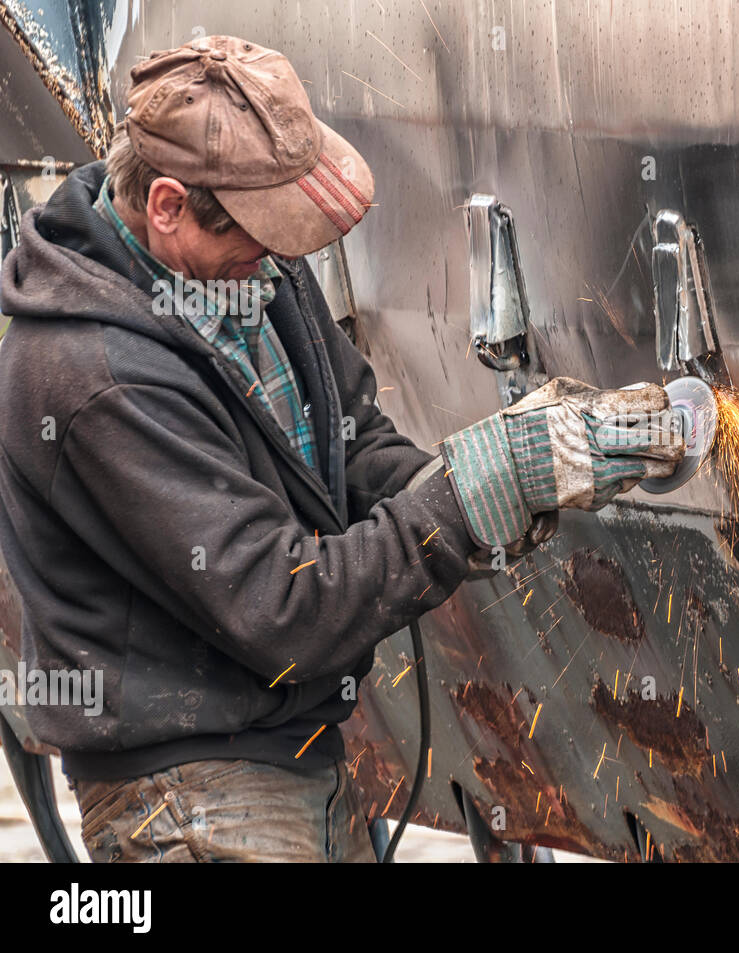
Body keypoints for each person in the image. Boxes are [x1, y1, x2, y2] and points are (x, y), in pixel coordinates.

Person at [0, 35, 682, 862]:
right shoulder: (93, 377)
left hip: (300, 756)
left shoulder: (243, 265)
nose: (275, 268)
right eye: (257, 240)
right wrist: (466, 500)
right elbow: (282, 609)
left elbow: (352, 448)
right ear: (168, 205)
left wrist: (508, 476)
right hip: (190, 796)